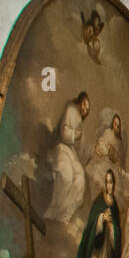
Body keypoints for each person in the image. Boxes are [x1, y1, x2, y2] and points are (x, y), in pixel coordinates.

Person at [43, 92, 89, 225]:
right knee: (67, 175)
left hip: (71, 152)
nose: (85, 109)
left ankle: (65, 214)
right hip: (61, 147)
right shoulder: (70, 109)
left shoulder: (79, 119)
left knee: (80, 178)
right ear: (80, 101)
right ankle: (55, 211)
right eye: (85, 105)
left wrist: (79, 138)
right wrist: (75, 135)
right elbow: (64, 135)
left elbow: (80, 145)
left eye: (87, 109)